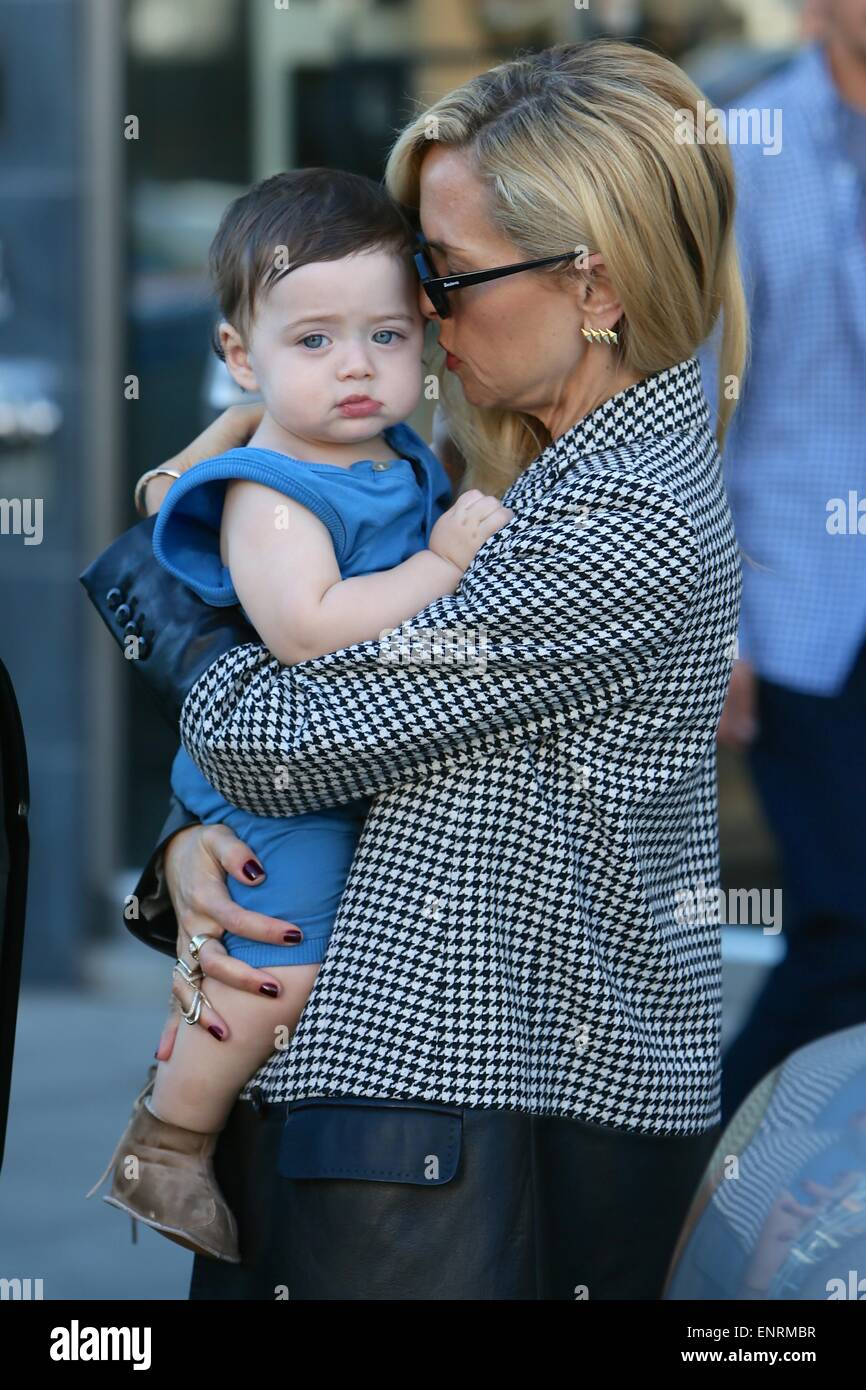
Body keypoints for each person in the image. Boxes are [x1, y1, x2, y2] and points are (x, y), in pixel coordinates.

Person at [90, 38, 746, 1299]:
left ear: (592, 284)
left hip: (463, 1138)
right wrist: (187, 847)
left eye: (442, 277)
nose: (421, 320)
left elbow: (283, 738)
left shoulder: (621, 526)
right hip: (416, 1123)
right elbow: (331, 747)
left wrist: (176, 567)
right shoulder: (505, 480)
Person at [85, 168, 512, 1261]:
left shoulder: (381, 451)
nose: (358, 367)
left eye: (384, 334)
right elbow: (308, 629)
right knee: (288, 967)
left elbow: (286, 398)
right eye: (313, 341)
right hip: (269, 790)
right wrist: (443, 564)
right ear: (242, 355)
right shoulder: (275, 493)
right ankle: (167, 1141)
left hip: (328, 768)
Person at [708, 2, 866, 1124]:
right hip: (806, 605)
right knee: (844, 924)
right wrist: (720, 624)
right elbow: (700, 402)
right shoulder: (742, 150)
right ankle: (701, 1174)